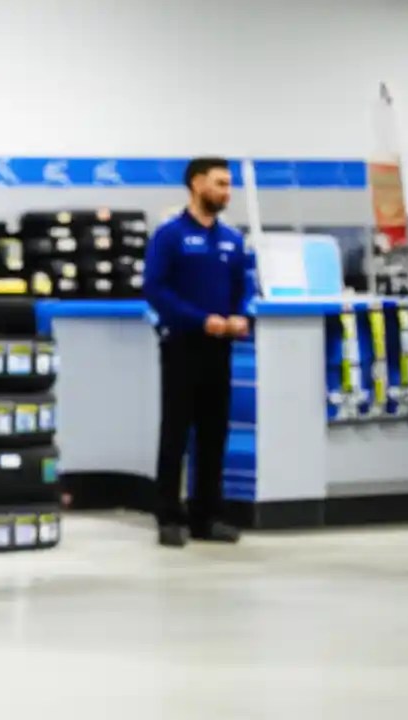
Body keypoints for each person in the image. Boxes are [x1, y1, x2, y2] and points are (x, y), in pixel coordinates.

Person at [142, 157, 251, 548]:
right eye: (220, 183)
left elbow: (243, 286)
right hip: (182, 344)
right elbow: (155, 288)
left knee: (213, 432)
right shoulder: (169, 236)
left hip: (220, 349)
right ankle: (169, 517)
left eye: (229, 184)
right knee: (175, 431)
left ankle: (207, 515)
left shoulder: (232, 240)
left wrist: (240, 316)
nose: (227, 191)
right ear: (196, 183)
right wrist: (200, 320)